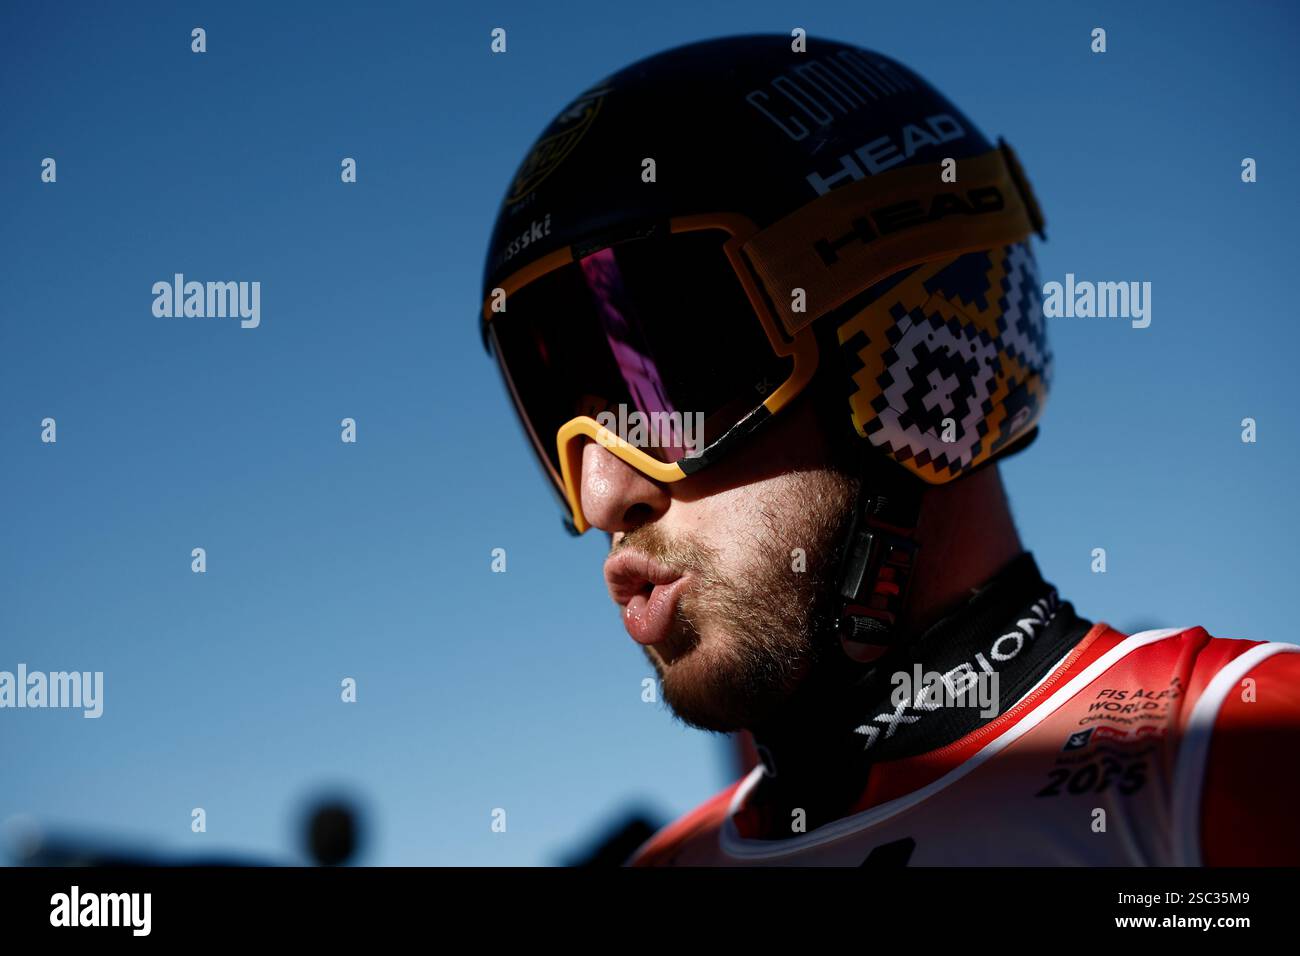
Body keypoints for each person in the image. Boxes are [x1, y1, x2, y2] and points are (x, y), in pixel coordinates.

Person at [478, 34, 1300, 865]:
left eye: (668, 384)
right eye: (559, 419)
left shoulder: (1235, 750)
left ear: (907, 357)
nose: (605, 495)